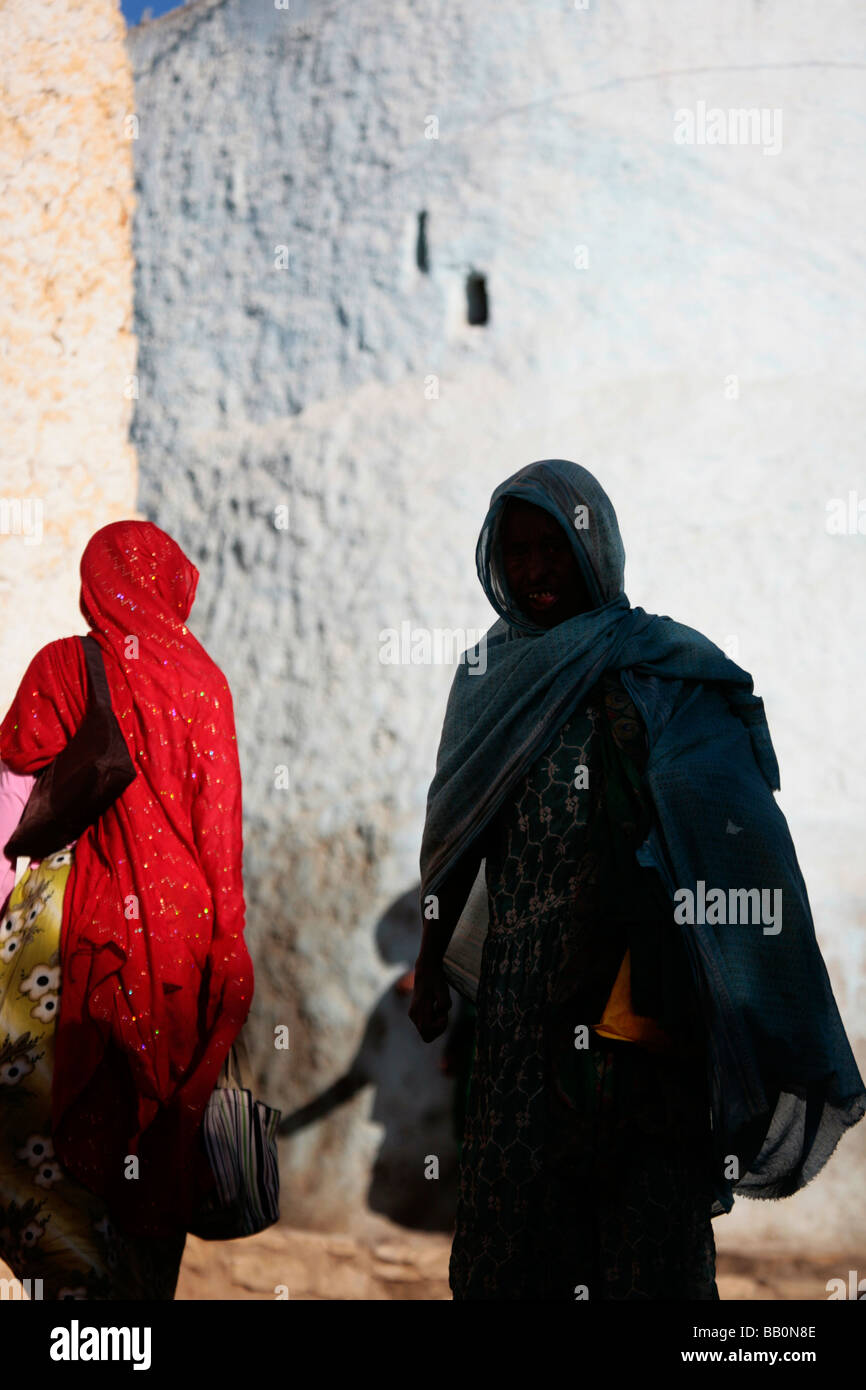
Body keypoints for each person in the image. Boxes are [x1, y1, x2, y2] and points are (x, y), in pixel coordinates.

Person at [410, 458, 866, 1301]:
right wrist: (431, 958)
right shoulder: (488, 680)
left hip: (642, 1007)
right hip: (522, 1011)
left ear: (598, 549)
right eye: (518, 552)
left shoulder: (664, 669)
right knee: (519, 1226)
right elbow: (457, 838)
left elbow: (738, 832)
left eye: (554, 548)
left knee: (643, 1228)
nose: (536, 571)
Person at [0, 519, 253, 1299]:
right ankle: (138, 1309)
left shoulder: (66, 665)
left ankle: (75, 1299)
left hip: (71, 932)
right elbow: (222, 834)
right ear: (174, 583)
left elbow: (17, 750)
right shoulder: (205, 683)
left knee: (47, 1127)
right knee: (156, 1139)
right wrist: (229, 951)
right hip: (181, 946)